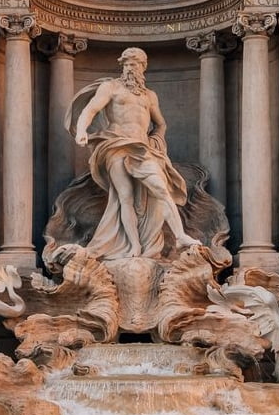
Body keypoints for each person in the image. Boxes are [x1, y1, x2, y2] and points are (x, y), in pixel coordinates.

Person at [71, 47, 195, 261]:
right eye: (126, 64)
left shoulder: (149, 96)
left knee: (161, 189)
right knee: (124, 197)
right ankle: (134, 245)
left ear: (143, 67)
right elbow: (90, 110)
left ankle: (180, 235)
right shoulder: (110, 87)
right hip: (116, 145)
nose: (130, 68)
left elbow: (161, 123)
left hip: (142, 148)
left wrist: (156, 140)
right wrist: (82, 130)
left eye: (134, 64)